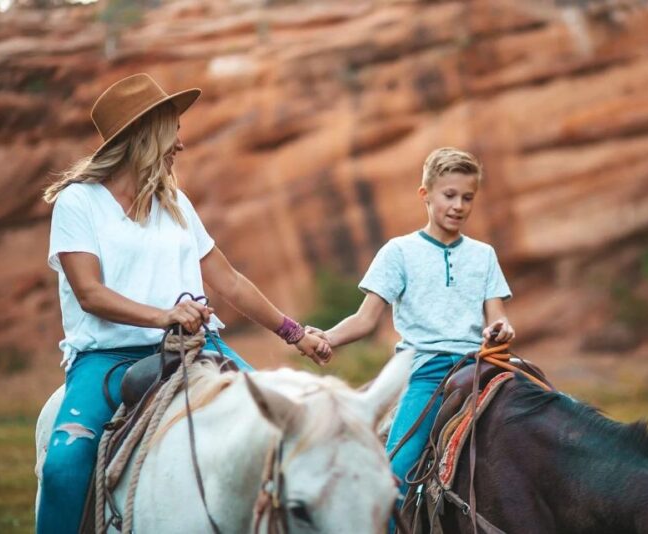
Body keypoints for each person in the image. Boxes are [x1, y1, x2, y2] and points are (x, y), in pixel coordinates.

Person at [37, 73, 330, 534]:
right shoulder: (79, 203)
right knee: (62, 468)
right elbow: (89, 293)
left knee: (285, 427)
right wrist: (164, 316)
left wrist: (294, 333)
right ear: (145, 133)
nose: (180, 143)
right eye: (174, 128)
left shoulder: (175, 203)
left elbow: (228, 281)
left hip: (198, 350)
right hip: (108, 358)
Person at [307, 147, 514, 504]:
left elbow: (497, 317)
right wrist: (324, 338)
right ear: (426, 195)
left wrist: (501, 330)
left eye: (468, 197)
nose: (458, 206)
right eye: (449, 195)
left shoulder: (484, 254)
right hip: (427, 370)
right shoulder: (399, 252)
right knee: (395, 475)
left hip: (480, 364)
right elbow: (364, 319)